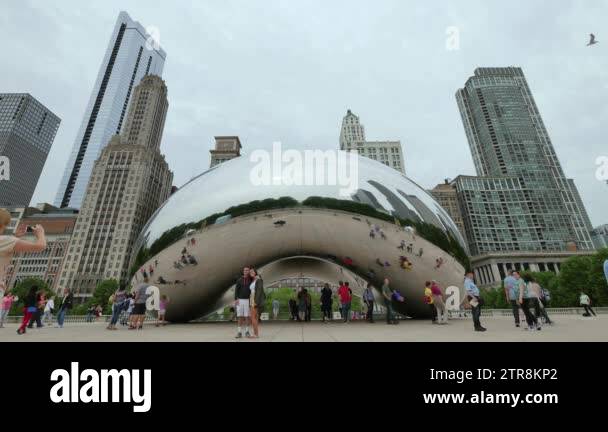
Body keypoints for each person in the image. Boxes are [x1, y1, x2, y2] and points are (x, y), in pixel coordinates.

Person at [0, 210, 46, 314]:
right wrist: (40, 233)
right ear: (2, 225)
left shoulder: (6, 240)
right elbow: (40, 246)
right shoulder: (5, 240)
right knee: (31, 315)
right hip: (30, 309)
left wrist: (15, 237)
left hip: (28, 308)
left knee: (29, 316)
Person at [234, 266, 252, 338]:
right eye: (245, 270)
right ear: (243, 271)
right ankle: (239, 332)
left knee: (247, 316)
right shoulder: (239, 280)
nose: (246, 271)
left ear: (249, 271)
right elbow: (236, 290)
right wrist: (236, 299)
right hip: (240, 300)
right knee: (240, 316)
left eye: (247, 270)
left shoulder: (251, 280)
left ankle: (247, 332)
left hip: (248, 300)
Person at [249, 267, 265, 338]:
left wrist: (255, 301)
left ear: (255, 272)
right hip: (252, 298)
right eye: (250, 272)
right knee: (254, 317)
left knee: (253, 317)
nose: (251, 273)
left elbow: (259, 291)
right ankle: (255, 334)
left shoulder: (259, 280)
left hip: (255, 299)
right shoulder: (253, 280)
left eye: (252, 271)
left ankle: (256, 334)